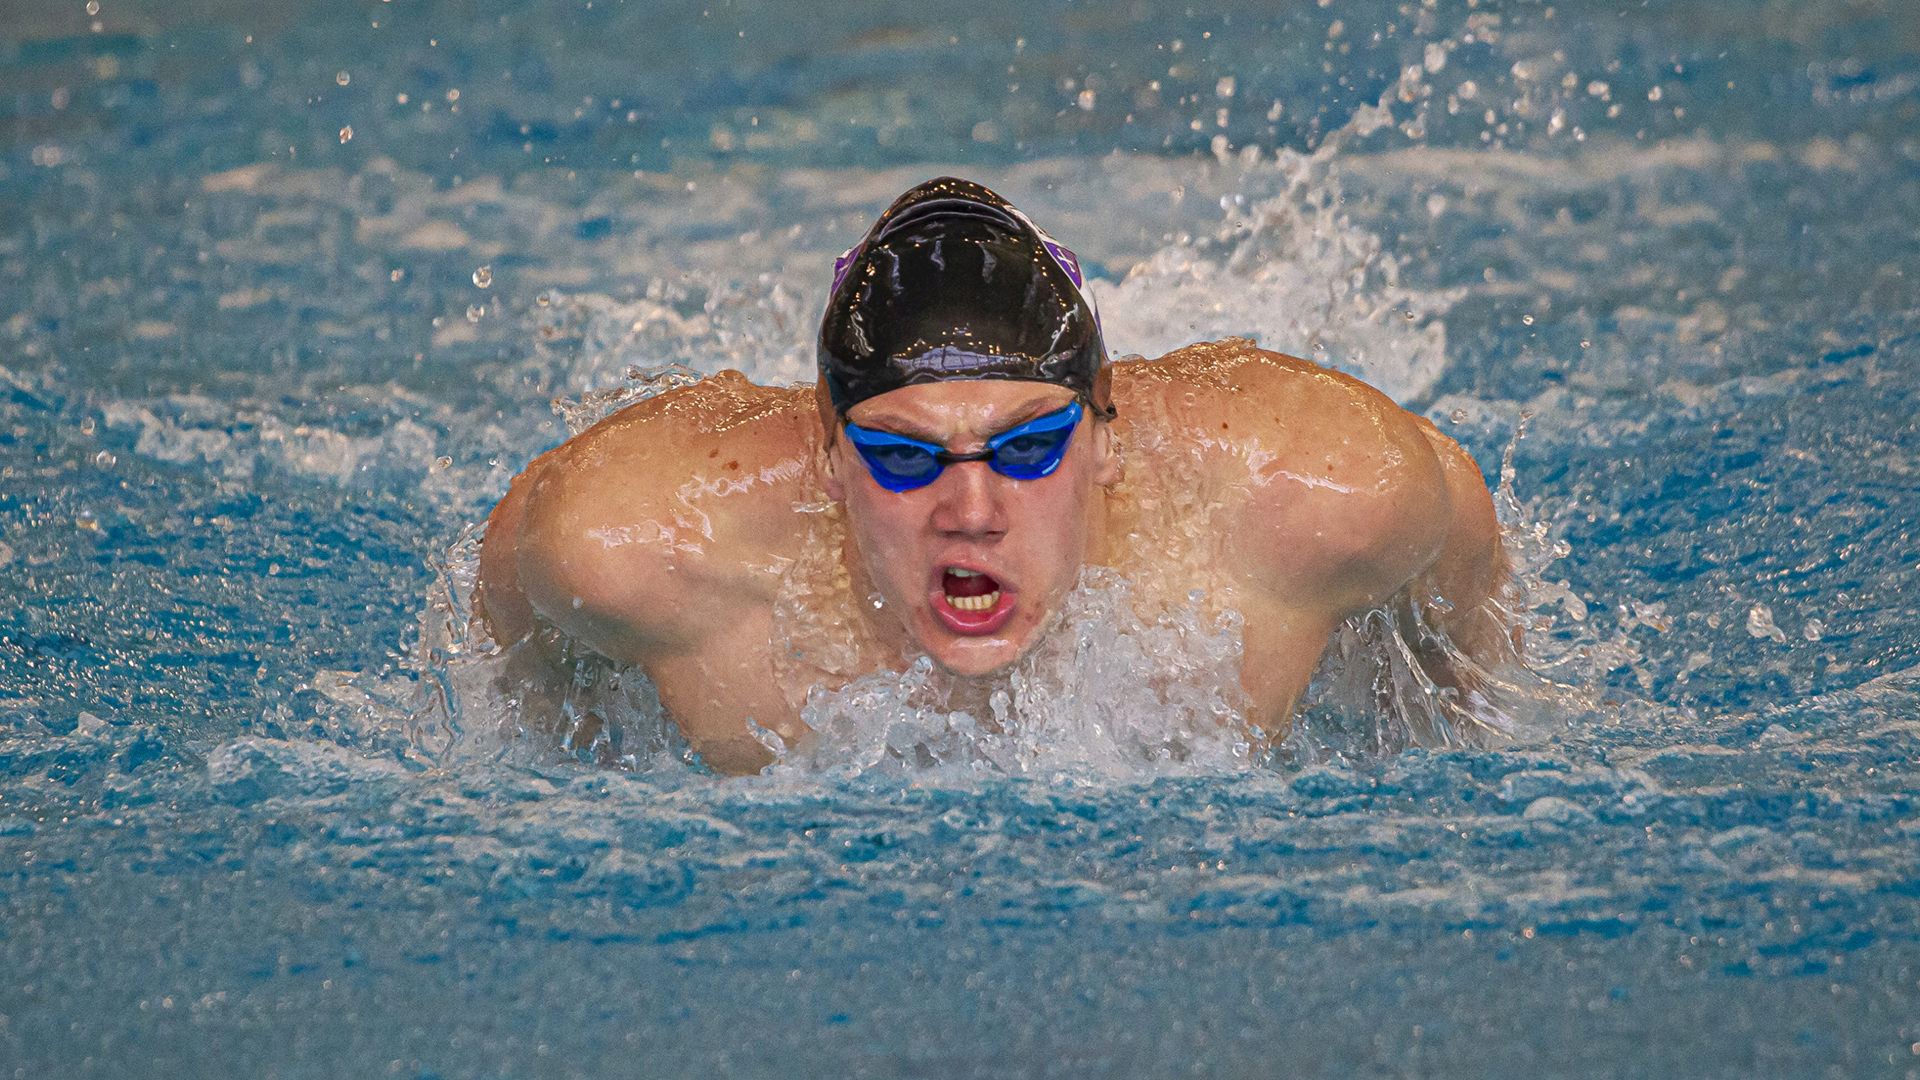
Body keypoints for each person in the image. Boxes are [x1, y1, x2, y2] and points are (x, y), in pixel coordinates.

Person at [475, 177, 1514, 775]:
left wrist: (1450, 710)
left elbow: (1459, 524)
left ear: (1105, 438)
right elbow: (516, 593)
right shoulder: (639, 547)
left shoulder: (1312, 498)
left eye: (1026, 449)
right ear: (831, 457)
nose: (969, 513)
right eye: (902, 456)